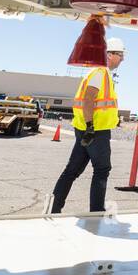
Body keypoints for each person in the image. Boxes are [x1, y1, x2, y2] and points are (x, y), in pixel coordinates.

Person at [51, 37, 125, 214]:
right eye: (120, 55)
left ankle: (53, 208)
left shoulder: (99, 73)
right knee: (102, 169)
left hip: (87, 129)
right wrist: (91, 127)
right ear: (109, 55)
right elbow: (88, 99)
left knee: (72, 170)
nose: (122, 59)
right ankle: (96, 211)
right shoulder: (100, 73)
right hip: (95, 131)